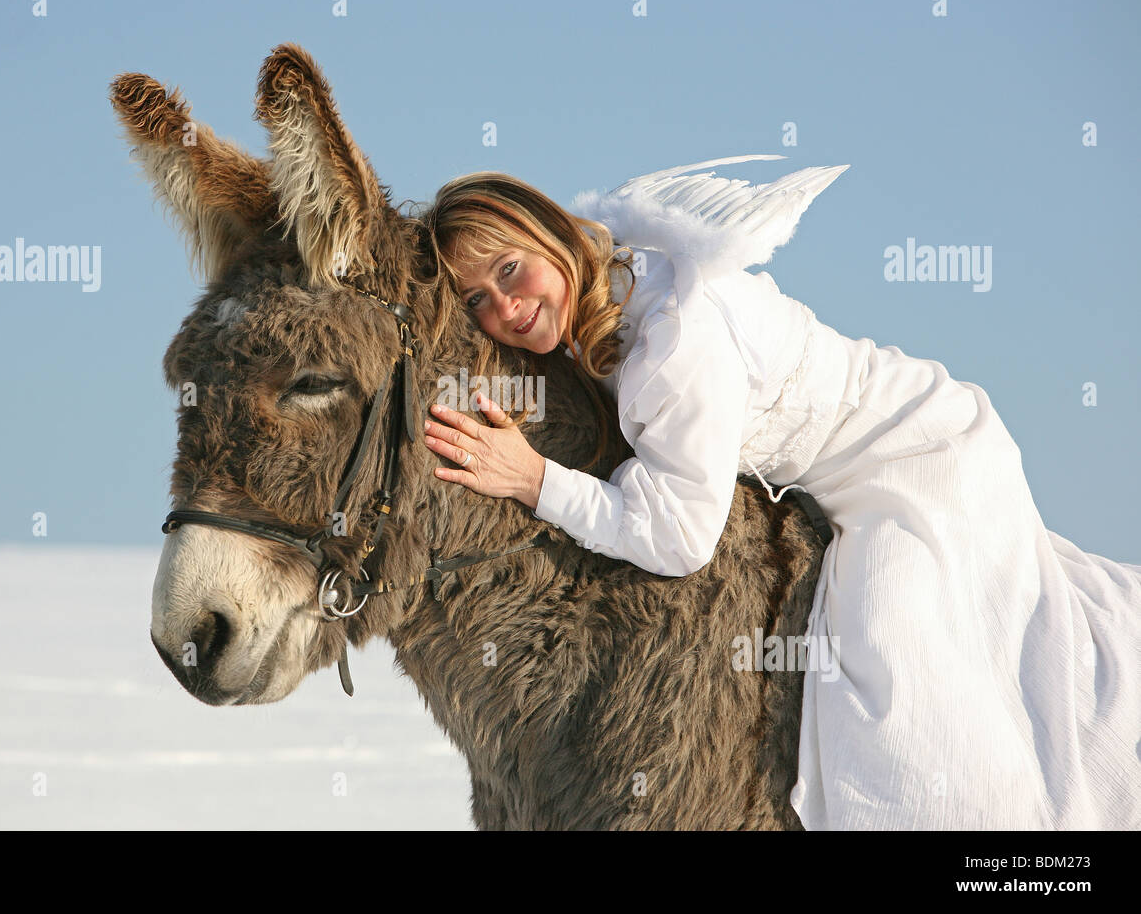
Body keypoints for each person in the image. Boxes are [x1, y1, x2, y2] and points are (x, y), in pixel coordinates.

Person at [410, 156, 1141, 830]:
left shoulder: (673, 346)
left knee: (894, 691)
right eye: (476, 296)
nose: (504, 306)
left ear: (552, 235)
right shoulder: (603, 294)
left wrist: (534, 480)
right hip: (839, 469)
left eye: (511, 269)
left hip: (914, 456)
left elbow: (678, 538)